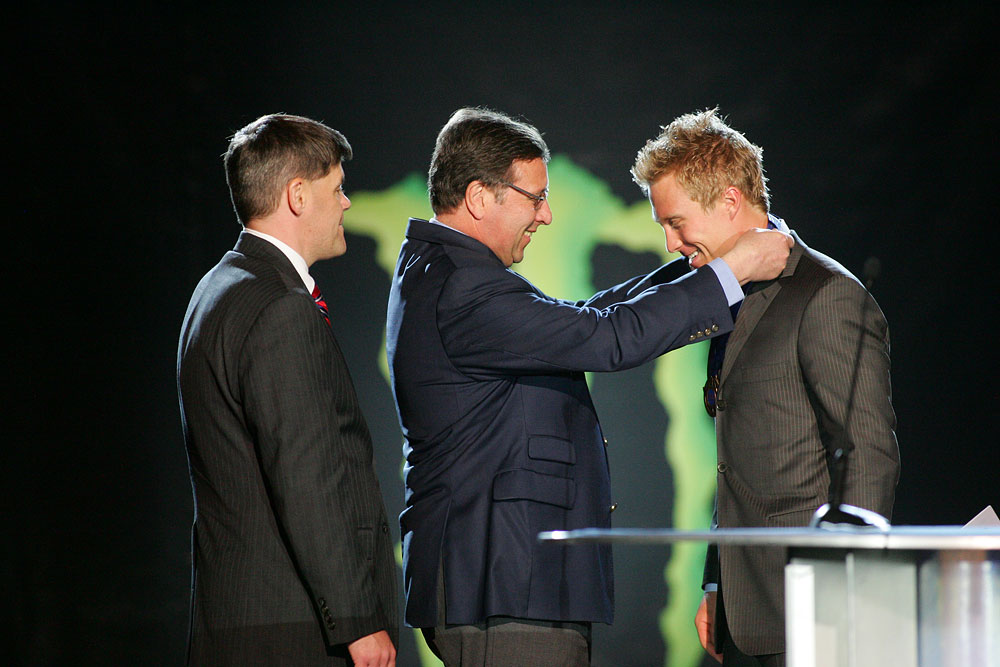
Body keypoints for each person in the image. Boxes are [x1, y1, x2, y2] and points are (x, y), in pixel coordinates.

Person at [385, 107, 792, 666]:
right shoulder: (464, 287)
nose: (546, 215)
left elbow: (580, 321)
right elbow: (605, 339)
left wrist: (700, 266)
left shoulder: (443, 271)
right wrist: (732, 270)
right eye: (535, 197)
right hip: (505, 589)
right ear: (481, 197)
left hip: (504, 587)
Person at [631, 108, 900, 667]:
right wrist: (715, 583)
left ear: (730, 201)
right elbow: (736, 462)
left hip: (813, 614)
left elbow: (869, 456)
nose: (669, 242)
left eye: (677, 222)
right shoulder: (724, 295)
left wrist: (845, 597)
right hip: (740, 610)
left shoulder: (827, 295)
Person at [177, 114, 397, 666]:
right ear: (298, 195)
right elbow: (307, 475)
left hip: (239, 623)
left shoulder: (215, 288)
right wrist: (357, 621)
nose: (346, 203)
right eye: (337, 188)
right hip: (294, 633)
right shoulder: (281, 309)